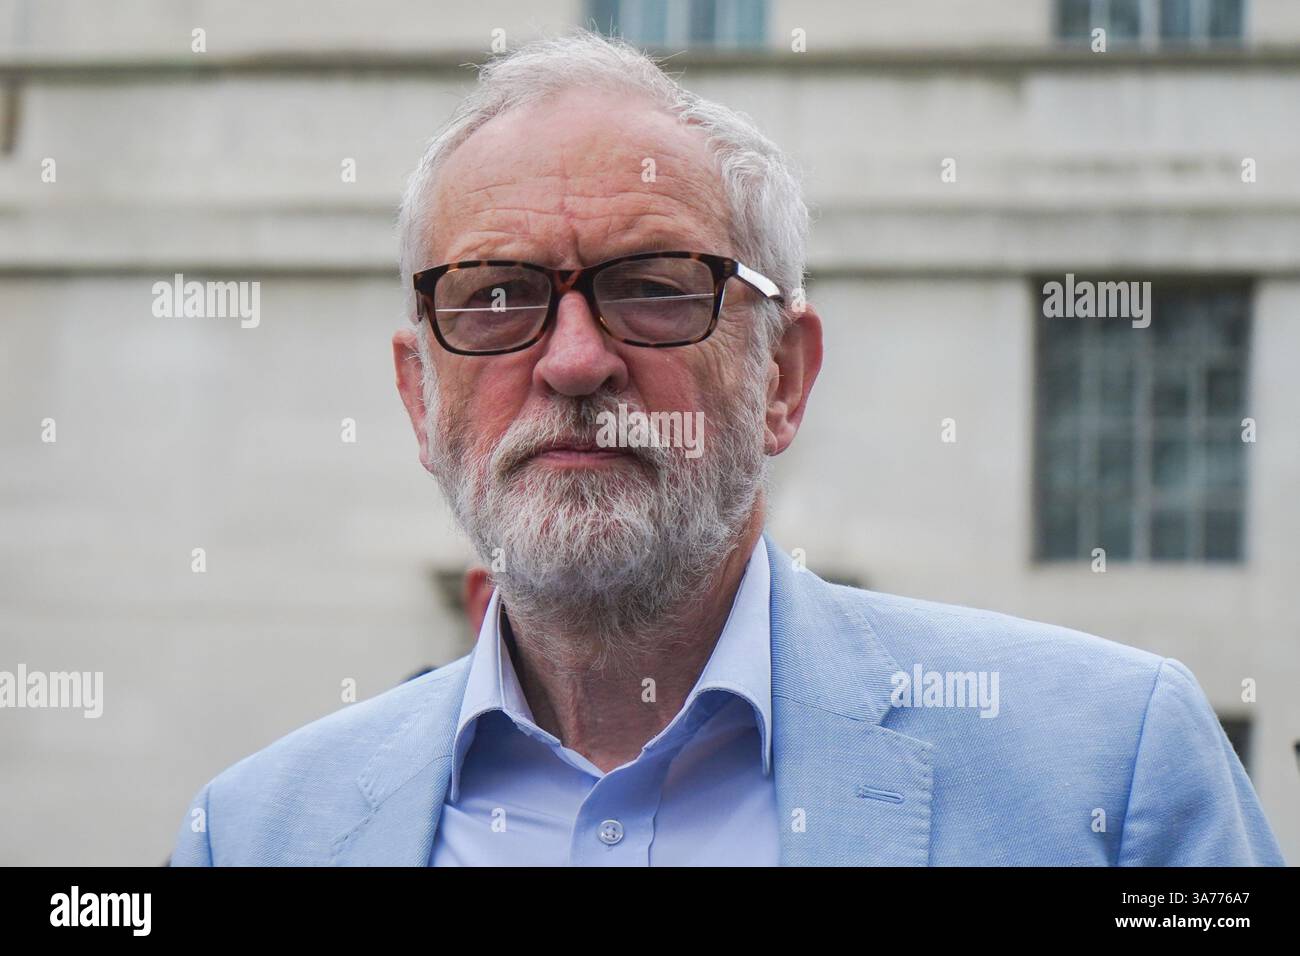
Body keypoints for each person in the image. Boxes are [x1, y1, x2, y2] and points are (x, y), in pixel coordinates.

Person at [170, 30, 1284, 866]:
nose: (572, 362)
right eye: (497, 295)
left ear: (782, 379)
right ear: (420, 397)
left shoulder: (1112, 772)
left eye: (651, 290)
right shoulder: (256, 832)